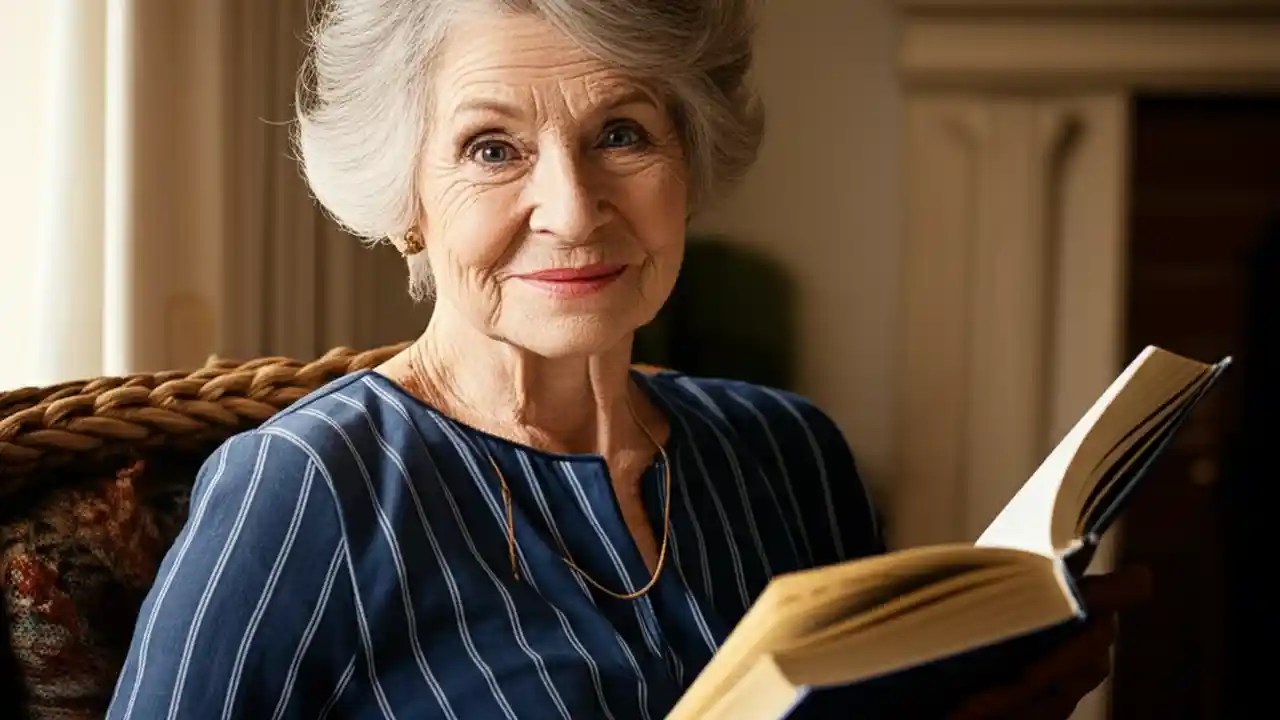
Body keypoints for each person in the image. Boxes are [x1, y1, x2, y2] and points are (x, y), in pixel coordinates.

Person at [106, 1, 1148, 718]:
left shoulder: (786, 450)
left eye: (621, 134)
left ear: (687, 164)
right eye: (490, 148)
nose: (570, 209)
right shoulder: (309, 485)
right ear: (405, 202)